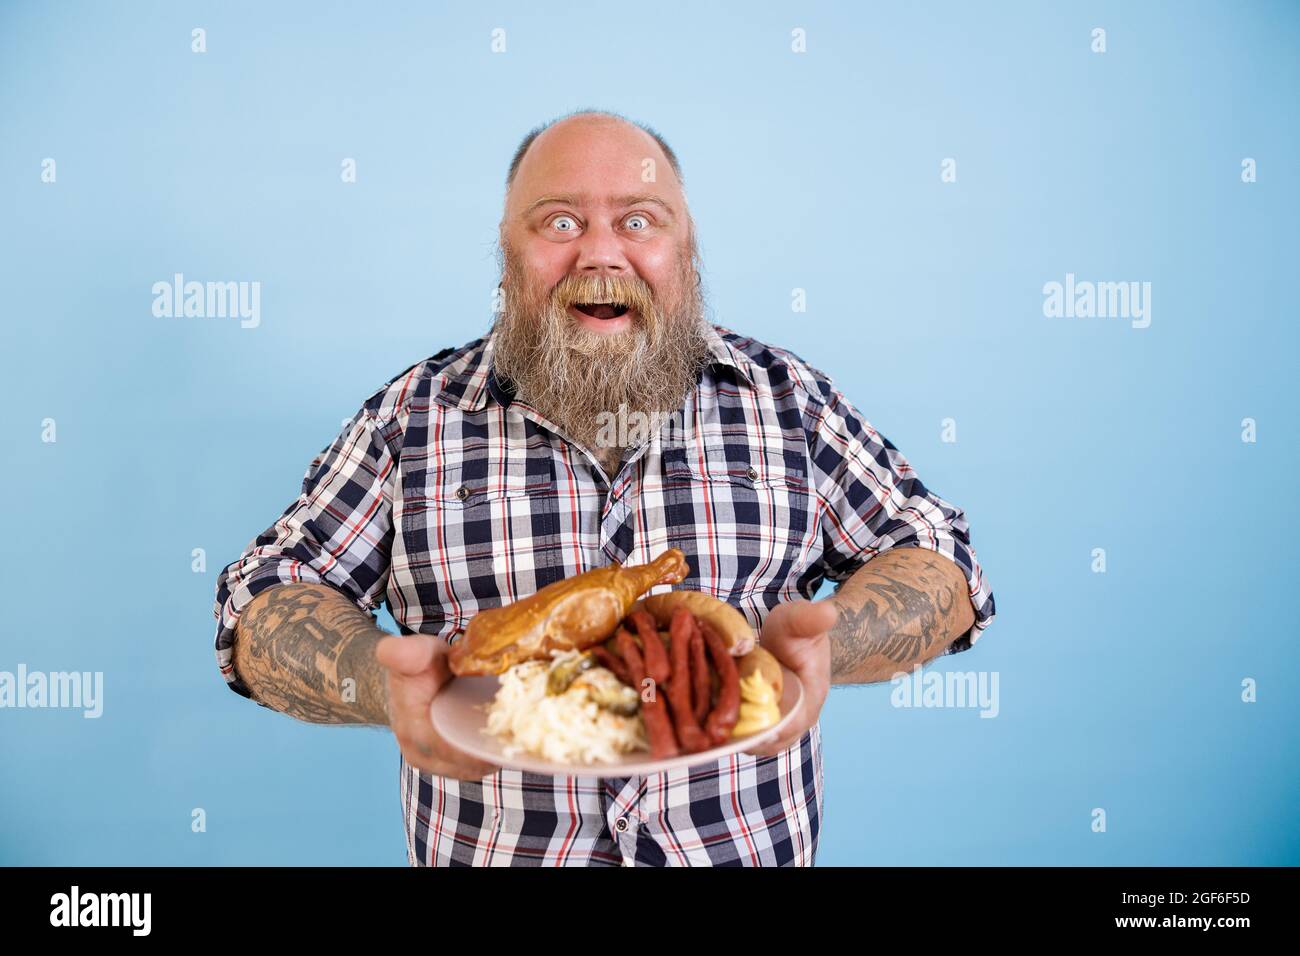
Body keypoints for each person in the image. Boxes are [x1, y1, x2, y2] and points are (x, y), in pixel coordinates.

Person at [212, 109, 996, 866]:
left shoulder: (788, 401)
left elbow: (940, 558)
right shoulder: (412, 419)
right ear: (506, 251)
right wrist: (376, 685)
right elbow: (264, 596)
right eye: (558, 222)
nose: (600, 255)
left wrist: (832, 643)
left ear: (686, 251)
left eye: (639, 220)